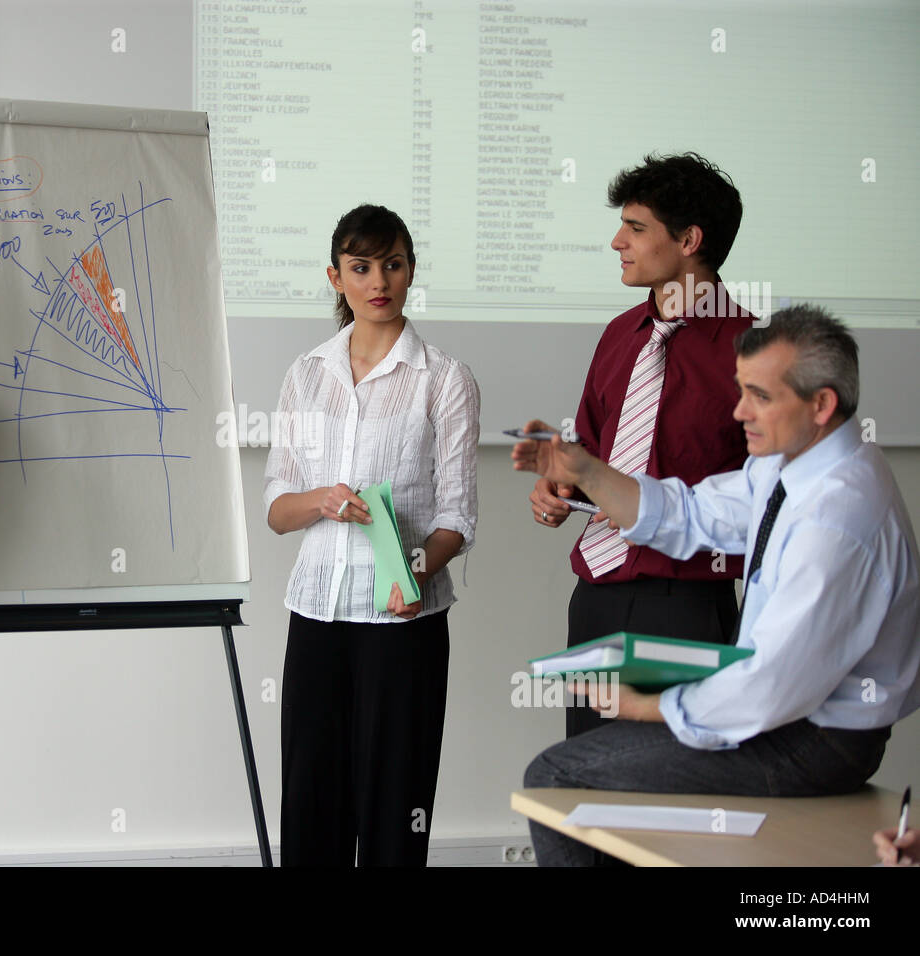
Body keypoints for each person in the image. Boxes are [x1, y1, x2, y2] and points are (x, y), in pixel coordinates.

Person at [511, 306, 920, 867]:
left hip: (811, 741)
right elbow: (694, 512)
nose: (739, 412)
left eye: (759, 396)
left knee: (556, 777)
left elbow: (768, 686)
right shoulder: (800, 463)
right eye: (740, 391)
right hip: (791, 710)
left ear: (821, 404)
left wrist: (646, 706)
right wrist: (585, 471)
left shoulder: (837, 519)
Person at [264, 204, 479, 866]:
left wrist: (414, 568)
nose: (378, 280)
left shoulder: (444, 378)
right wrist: (322, 501)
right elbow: (276, 506)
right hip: (318, 615)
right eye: (361, 267)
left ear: (411, 270)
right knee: (311, 806)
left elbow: (458, 516)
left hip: (403, 621)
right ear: (336, 276)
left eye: (392, 264)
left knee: (396, 811)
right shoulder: (305, 375)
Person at [528, 153, 752, 739]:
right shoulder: (618, 336)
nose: (616, 241)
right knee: (586, 778)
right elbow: (590, 450)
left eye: (635, 227)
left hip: (688, 602)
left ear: (689, 240)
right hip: (596, 594)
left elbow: (766, 495)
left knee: (670, 795)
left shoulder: (754, 349)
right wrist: (557, 486)